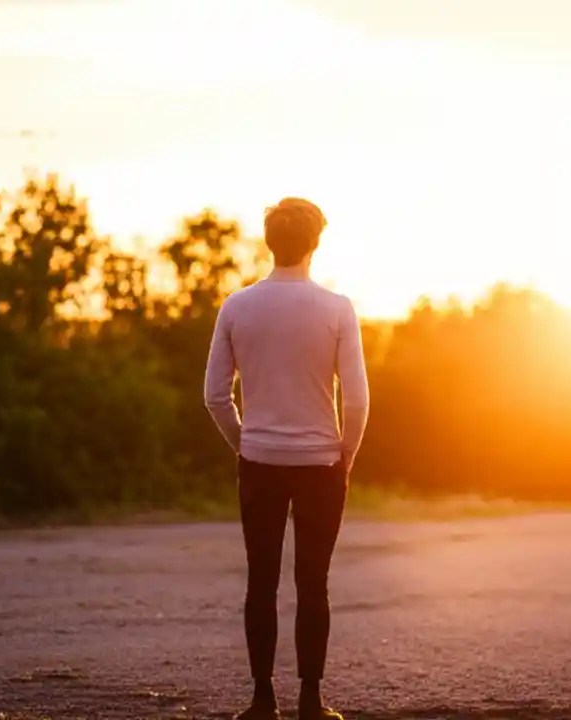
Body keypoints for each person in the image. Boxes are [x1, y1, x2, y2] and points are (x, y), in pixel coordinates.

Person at [204, 197, 370, 720]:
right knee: (312, 581)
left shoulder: (237, 306)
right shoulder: (337, 308)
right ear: (315, 242)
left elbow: (214, 395)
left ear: (269, 241)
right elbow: (358, 400)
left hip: (259, 462)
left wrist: (245, 443)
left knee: (261, 580)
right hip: (322, 464)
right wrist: (345, 455)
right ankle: (312, 700)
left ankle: (260, 700)